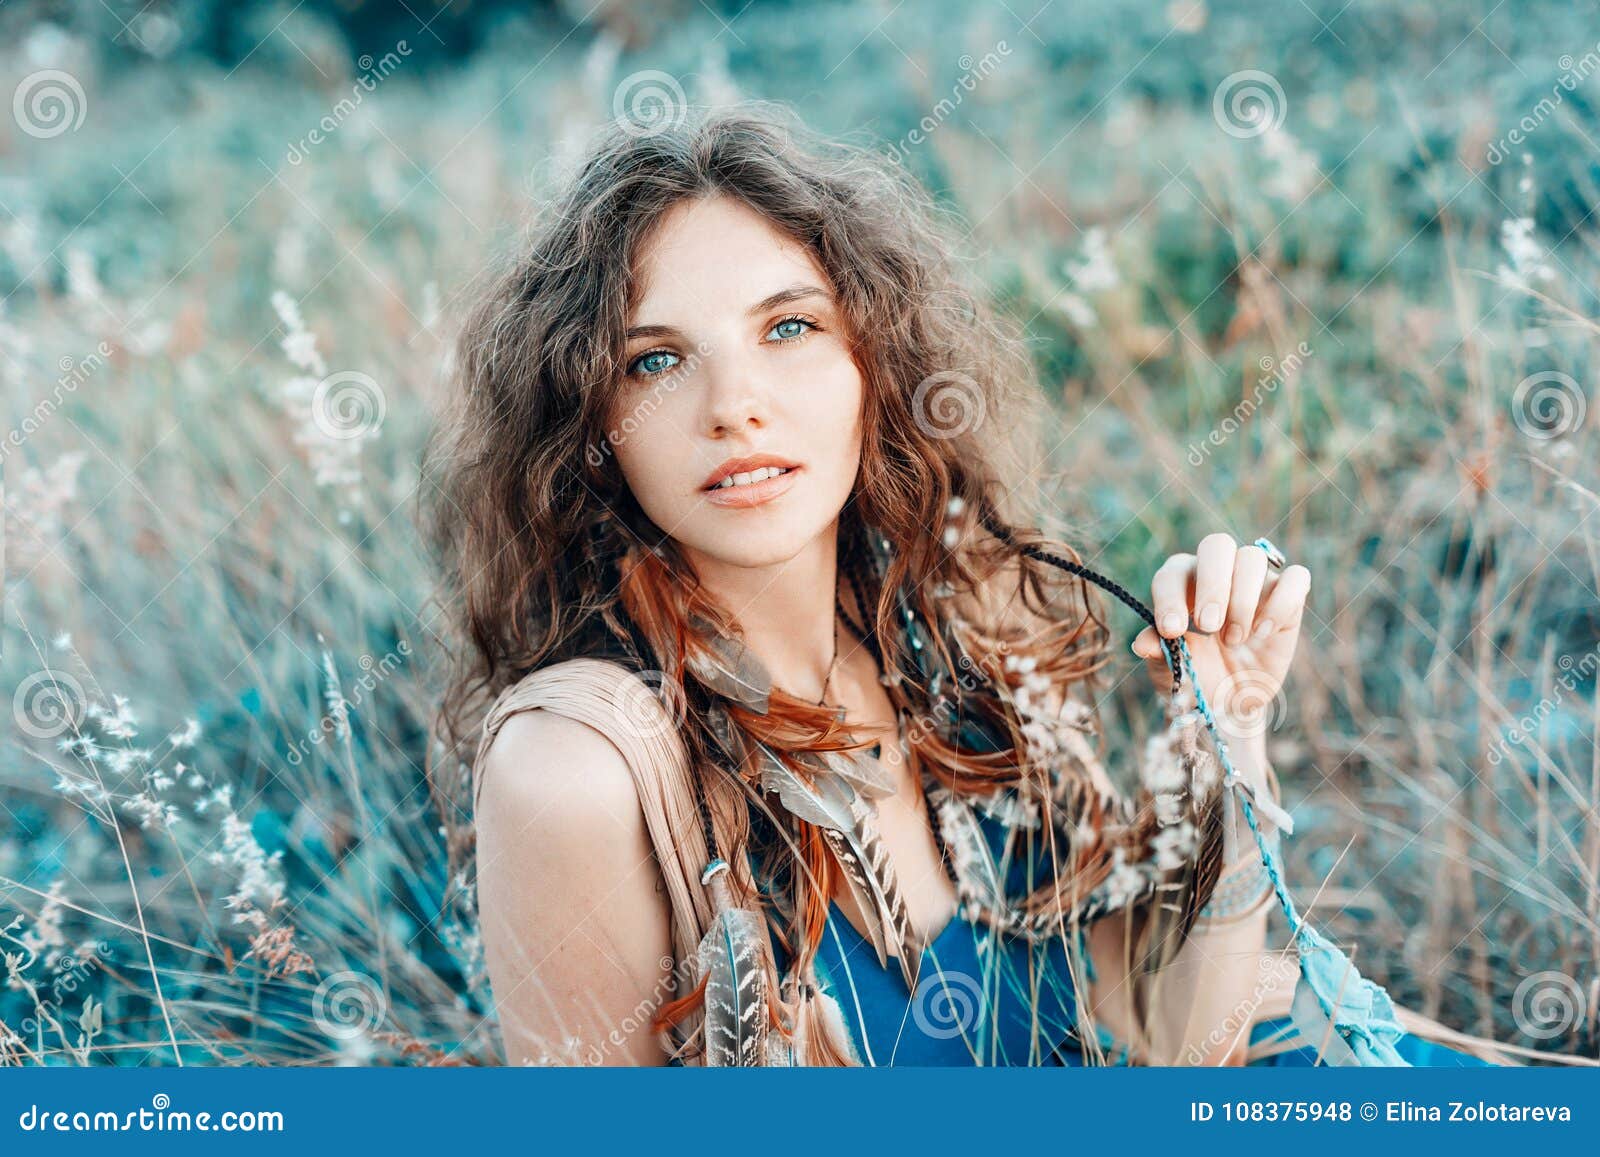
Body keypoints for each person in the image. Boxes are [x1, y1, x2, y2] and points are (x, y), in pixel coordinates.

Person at [421, 102, 1521, 1068]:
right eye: (653, 359)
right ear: (593, 425)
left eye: (790, 327)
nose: (733, 402)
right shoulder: (579, 766)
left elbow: (1183, 1051)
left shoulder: (954, 632)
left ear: (873, 364)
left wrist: (1226, 727)